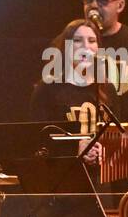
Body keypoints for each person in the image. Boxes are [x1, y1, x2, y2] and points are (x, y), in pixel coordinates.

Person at [30, 18, 121, 165]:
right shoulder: (48, 88)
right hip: (64, 177)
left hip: (100, 180)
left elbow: (118, 136)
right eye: (78, 41)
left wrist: (106, 150)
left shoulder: (107, 89)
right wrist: (75, 147)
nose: (86, 46)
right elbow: (37, 139)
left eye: (92, 40)